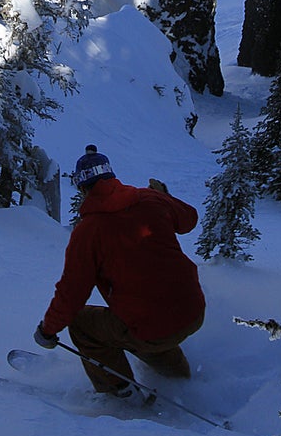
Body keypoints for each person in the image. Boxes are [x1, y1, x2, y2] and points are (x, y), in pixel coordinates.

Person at [34, 144, 205, 398]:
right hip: (192, 311)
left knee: (83, 324)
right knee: (147, 316)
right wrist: (164, 197)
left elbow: (72, 293)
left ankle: (121, 391)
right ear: (111, 176)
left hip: (150, 326)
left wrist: (48, 330)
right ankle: (179, 379)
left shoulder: (89, 232)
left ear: (82, 188)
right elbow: (189, 219)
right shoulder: (150, 199)